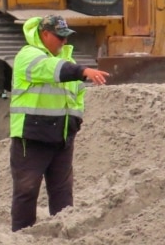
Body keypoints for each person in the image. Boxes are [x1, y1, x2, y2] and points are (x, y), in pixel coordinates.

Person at [9, 15, 110, 231]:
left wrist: (75, 123)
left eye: (66, 38)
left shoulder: (67, 61)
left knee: (63, 193)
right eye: (59, 37)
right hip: (32, 135)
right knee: (27, 190)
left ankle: (63, 233)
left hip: (61, 137)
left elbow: (76, 97)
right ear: (44, 34)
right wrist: (83, 71)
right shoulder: (29, 56)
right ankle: (20, 236)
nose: (64, 42)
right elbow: (53, 70)